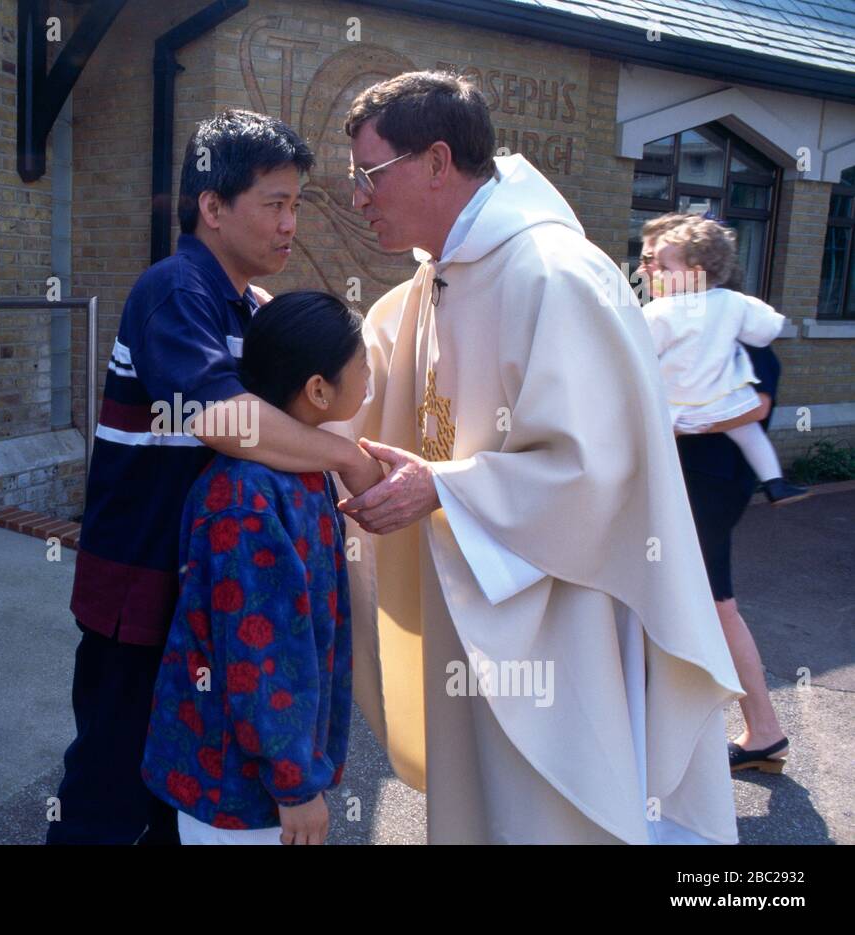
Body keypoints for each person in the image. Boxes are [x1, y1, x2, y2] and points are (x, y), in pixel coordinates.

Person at [335, 71, 743, 843]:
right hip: (478, 599)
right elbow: (364, 383)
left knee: (549, 815)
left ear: (435, 161)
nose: (358, 195)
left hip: (560, 619)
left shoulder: (554, 274)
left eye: (368, 174)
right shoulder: (437, 278)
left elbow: (598, 469)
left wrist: (442, 489)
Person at [48, 110, 382, 845]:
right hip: (141, 590)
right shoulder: (175, 291)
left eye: (297, 204)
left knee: (185, 790)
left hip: (207, 595)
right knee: (107, 791)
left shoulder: (254, 307)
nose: (291, 224)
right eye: (275, 204)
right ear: (211, 206)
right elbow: (224, 421)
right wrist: (351, 460)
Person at [142, 291, 361, 845]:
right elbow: (260, 656)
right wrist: (295, 786)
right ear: (317, 390)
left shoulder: (297, 469)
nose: (370, 375)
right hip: (237, 792)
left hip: (258, 776)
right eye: (362, 367)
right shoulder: (249, 499)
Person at [638, 214, 791, 775]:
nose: (647, 269)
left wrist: (678, 424)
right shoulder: (681, 324)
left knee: (715, 603)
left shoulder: (734, 327)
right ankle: (750, 730)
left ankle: (763, 729)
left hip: (711, 480)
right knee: (695, 600)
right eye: (648, 259)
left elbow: (757, 407)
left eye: (655, 260)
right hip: (692, 476)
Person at [644, 216, 808, 504]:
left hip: (675, 406)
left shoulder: (662, 310)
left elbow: (641, 352)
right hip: (721, 401)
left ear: (694, 273)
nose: (656, 274)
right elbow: (764, 331)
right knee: (750, 434)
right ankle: (775, 482)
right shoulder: (735, 303)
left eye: (665, 269)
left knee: (653, 449)